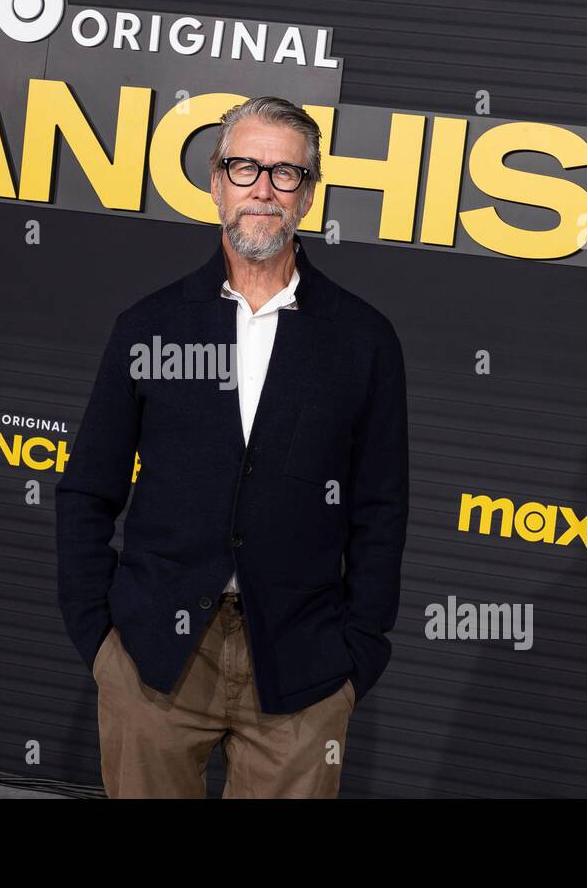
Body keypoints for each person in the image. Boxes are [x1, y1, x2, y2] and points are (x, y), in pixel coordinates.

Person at [56, 95, 409, 798]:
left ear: (308, 196)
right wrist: (101, 640)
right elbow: (87, 489)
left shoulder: (361, 339)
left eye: (285, 174)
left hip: (303, 664)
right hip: (153, 656)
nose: (262, 189)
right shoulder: (149, 325)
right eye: (244, 166)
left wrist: (357, 655)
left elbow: (380, 509)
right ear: (216, 182)